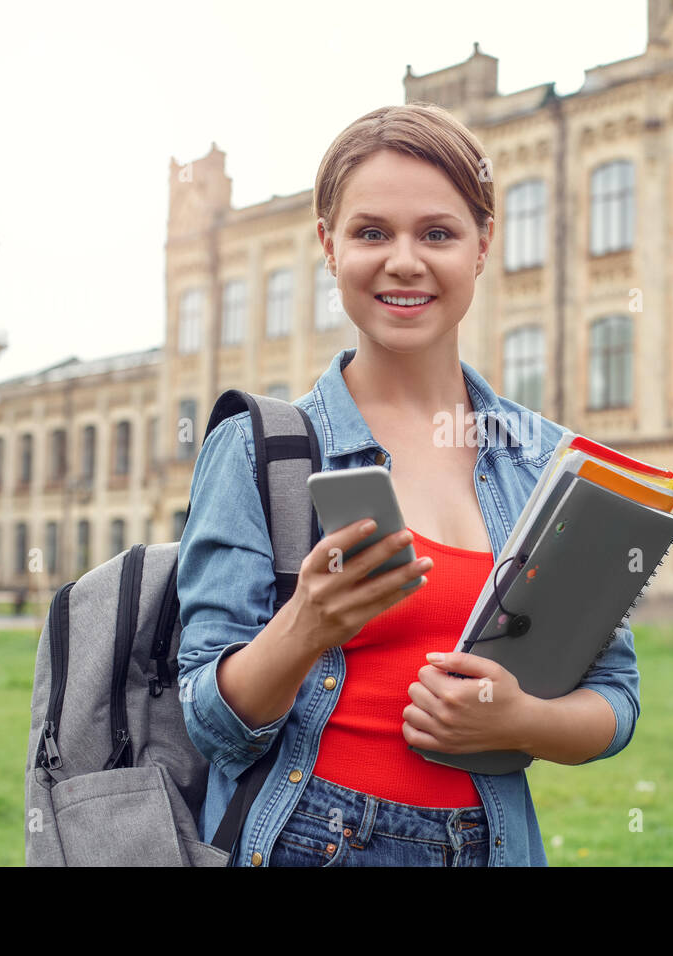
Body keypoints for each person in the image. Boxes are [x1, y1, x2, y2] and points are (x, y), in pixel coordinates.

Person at [177, 102, 641, 867]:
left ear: (483, 246)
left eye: (437, 233)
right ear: (328, 247)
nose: (403, 260)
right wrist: (307, 625)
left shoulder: (549, 464)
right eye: (370, 233)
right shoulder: (261, 449)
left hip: (485, 848)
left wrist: (520, 720)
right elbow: (212, 725)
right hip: (297, 844)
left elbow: (616, 699)